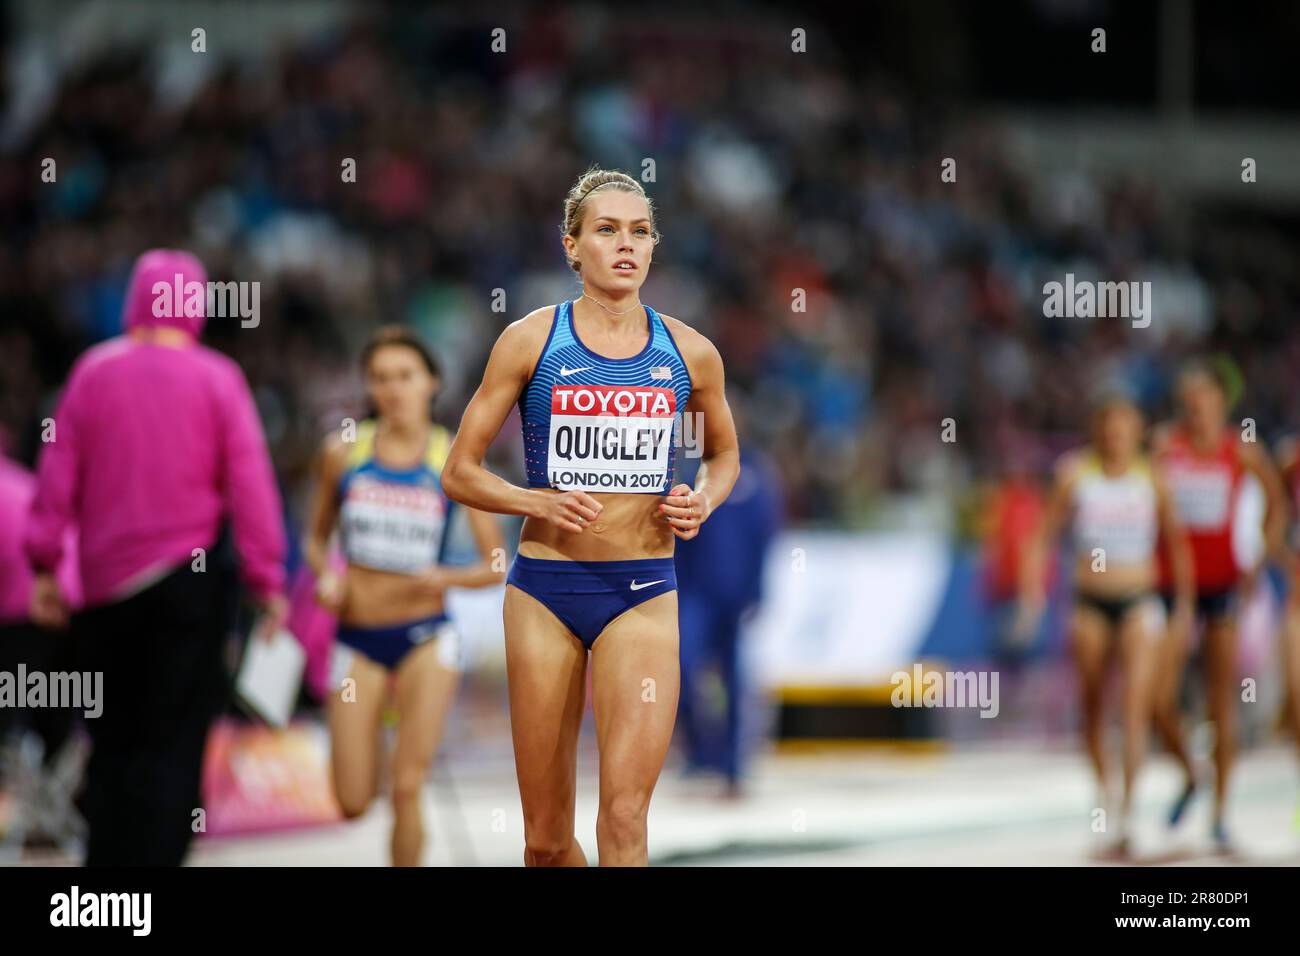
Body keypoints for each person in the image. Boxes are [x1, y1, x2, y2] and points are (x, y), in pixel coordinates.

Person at [441, 166, 740, 866]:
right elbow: (458, 470)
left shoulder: (690, 353)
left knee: (625, 816)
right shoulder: (529, 341)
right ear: (572, 246)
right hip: (545, 590)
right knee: (545, 843)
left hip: (643, 594)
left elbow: (725, 457)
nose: (625, 245)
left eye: (639, 232)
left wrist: (704, 496)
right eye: (606, 230)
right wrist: (534, 499)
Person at [23, 249, 288, 866]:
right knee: (174, 746)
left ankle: (110, 897)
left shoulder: (92, 372)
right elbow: (250, 487)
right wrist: (266, 580)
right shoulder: (218, 378)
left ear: (133, 299)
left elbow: (57, 477)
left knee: (113, 744)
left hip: (104, 595)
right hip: (188, 592)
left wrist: (43, 567)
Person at [303, 325, 505, 867]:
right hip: (357, 636)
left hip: (425, 638)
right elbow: (316, 541)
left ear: (431, 382)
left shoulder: (452, 461)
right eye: (380, 378)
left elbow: (495, 564)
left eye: (405, 376)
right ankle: (383, 752)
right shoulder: (343, 453)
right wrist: (328, 575)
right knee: (350, 801)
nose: (393, 389)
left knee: (409, 786)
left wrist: (444, 577)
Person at [1019, 393, 1193, 858]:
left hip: (1139, 601)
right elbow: (1044, 535)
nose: (1116, 439)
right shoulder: (1076, 473)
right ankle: (1105, 794)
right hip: (1090, 602)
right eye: (1109, 430)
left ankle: (1128, 810)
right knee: (1094, 706)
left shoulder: (1152, 479)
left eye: (1124, 430)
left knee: (1136, 707)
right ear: (1099, 431)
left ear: (1136, 433)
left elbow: (1177, 546)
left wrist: (1183, 606)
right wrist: (1033, 590)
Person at [1150, 360, 1289, 850]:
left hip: (1223, 586)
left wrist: (1261, 555)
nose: (1198, 411)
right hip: (1172, 588)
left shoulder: (1241, 451)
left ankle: (1221, 814)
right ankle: (1191, 772)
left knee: (1221, 703)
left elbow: (1277, 503)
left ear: (1221, 404)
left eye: (1206, 401)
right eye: (1190, 403)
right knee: (1156, 699)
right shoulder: (1168, 449)